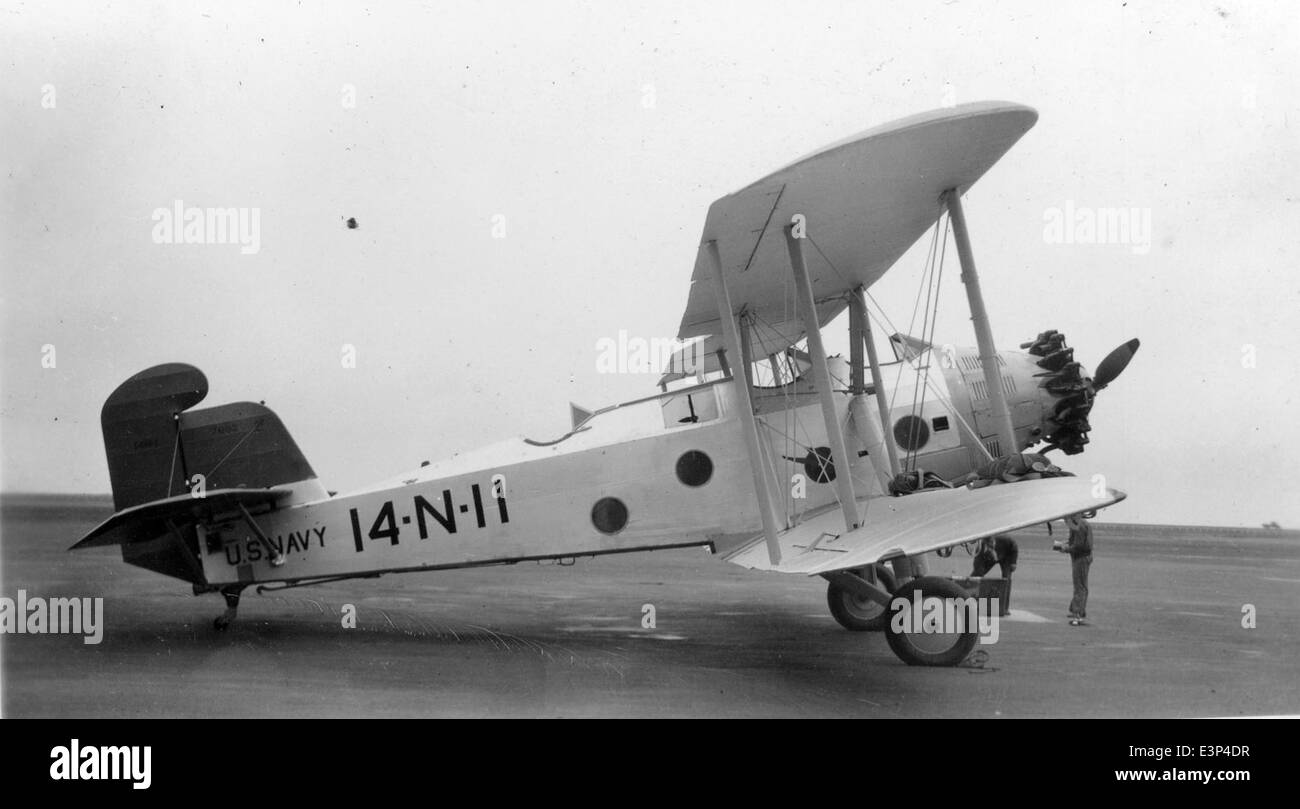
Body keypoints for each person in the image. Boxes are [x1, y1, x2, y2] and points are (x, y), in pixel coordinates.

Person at [970, 534, 1018, 616]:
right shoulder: (981, 548)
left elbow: (1014, 547)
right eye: (988, 546)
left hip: (1006, 556)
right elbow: (977, 564)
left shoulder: (1006, 540)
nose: (989, 546)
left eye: (990, 545)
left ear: (993, 541)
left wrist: (1014, 562)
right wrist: (977, 574)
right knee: (977, 575)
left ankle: (1005, 608)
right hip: (989, 558)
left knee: (1007, 579)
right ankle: (969, 601)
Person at [1061, 514, 1093, 624]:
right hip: (1079, 557)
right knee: (1079, 585)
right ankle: (1076, 610)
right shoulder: (1078, 524)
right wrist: (1065, 545)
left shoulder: (1080, 525)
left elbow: (1078, 546)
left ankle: (1078, 614)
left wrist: (1066, 549)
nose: (1066, 522)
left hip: (1081, 557)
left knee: (1080, 587)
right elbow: (1073, 541)